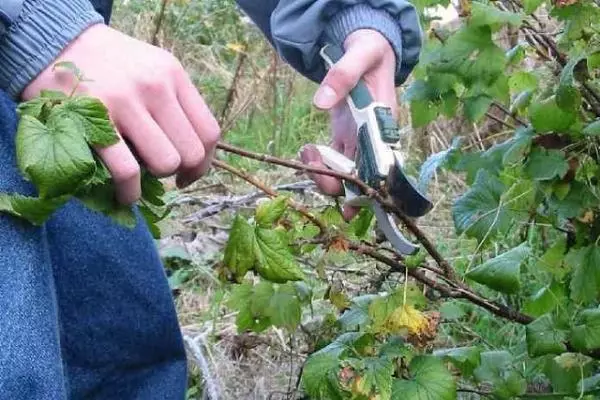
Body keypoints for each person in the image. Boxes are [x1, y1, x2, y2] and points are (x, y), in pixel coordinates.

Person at [0, 0, 422, 398]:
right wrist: (34, 24)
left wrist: (348, 15)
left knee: (124, 352)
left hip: (59, 85)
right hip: (44, 52)